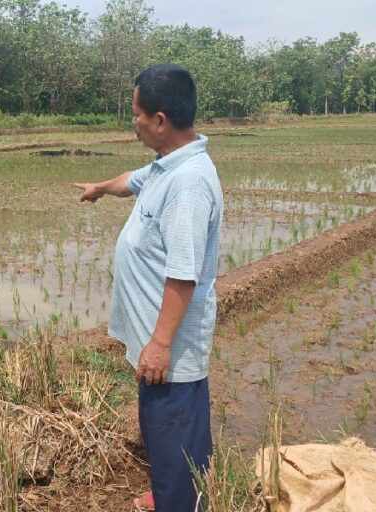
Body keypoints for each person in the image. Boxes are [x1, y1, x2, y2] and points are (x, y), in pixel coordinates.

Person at [74, 64, 223, 511]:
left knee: (173, 427)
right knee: (173, 433)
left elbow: (183, 275)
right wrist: (101, 187)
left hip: (170, 350)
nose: (133, 122)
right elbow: (131, 182)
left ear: (160, 120)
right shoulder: (166, 166)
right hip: (157, 345)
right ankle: (175, 492)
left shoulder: (189, 185)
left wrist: (159, 345)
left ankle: (178, 500)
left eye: (137, 114)